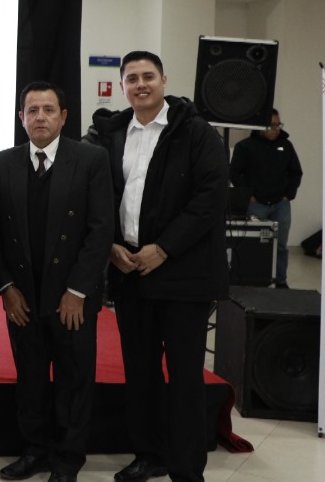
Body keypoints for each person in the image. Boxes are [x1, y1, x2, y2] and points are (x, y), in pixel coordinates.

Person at [85, 51, 229, 482]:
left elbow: (210, 199)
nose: (141, 84)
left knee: (184, 376)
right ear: (123, 85)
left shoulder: (197, 133)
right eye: (132, 78)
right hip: (129, 271)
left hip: (183, 273)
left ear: (165, 80)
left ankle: (187, 468)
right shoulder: (111, 133)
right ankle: (148, 455)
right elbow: (101, 196)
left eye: (149, 76)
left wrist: (164, 248)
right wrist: (111, 245)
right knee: (140, 373)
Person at [0, 82, 113, 482]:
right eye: (32, 110)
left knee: (75, 379)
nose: (40, 116)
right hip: (22, 297)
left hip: (71, 297)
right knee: (30, 378)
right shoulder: (0, 163)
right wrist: (6, 288)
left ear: (63, 116)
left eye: (48, 109)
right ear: (20, 118)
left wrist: (78, 291)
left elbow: (100, 230)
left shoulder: (91, 159)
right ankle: (35, 451)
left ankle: (67, 459)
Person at [229, 108, 303, 289]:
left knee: (281, 246)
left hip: (281, 205)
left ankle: (280, 281)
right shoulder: (244, 147)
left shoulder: (286, 146)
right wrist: (249, 196)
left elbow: (296, 172)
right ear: (260, 126)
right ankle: (255, 278)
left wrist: (289, 195)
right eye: (272, 125)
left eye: (278, 125)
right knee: (254, 244)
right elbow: (234, 173)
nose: (275, 128)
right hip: (256, 205)